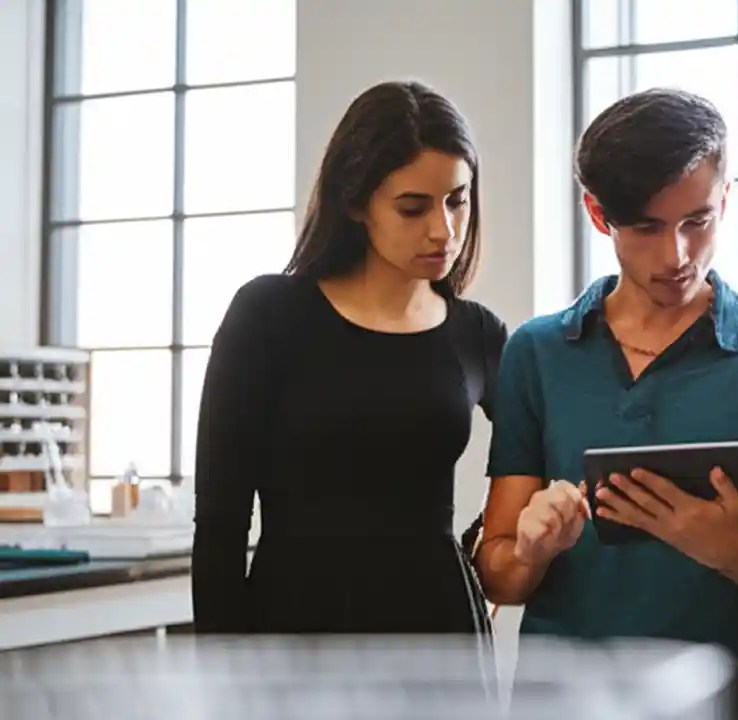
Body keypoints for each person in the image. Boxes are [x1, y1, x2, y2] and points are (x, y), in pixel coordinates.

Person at [475, 88, 738, 720]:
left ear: (725, 199)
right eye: (646, 228)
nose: (677, 255)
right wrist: (532, 549)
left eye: (698, 221)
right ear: (598, 213)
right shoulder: (536, 351)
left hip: (725, 691)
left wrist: (729, 548)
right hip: (564, 695)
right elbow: (498, 576)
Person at [191, 80, 506, 672]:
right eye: (413, 207)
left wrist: (480, 555)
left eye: (457, 200)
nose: (443, 229)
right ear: (356, 201)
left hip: (441, 642)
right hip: (295, 638)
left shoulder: (478, 333)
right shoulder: (268, 315)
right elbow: (220, 523)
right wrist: (222, 679)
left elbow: (540, 464)